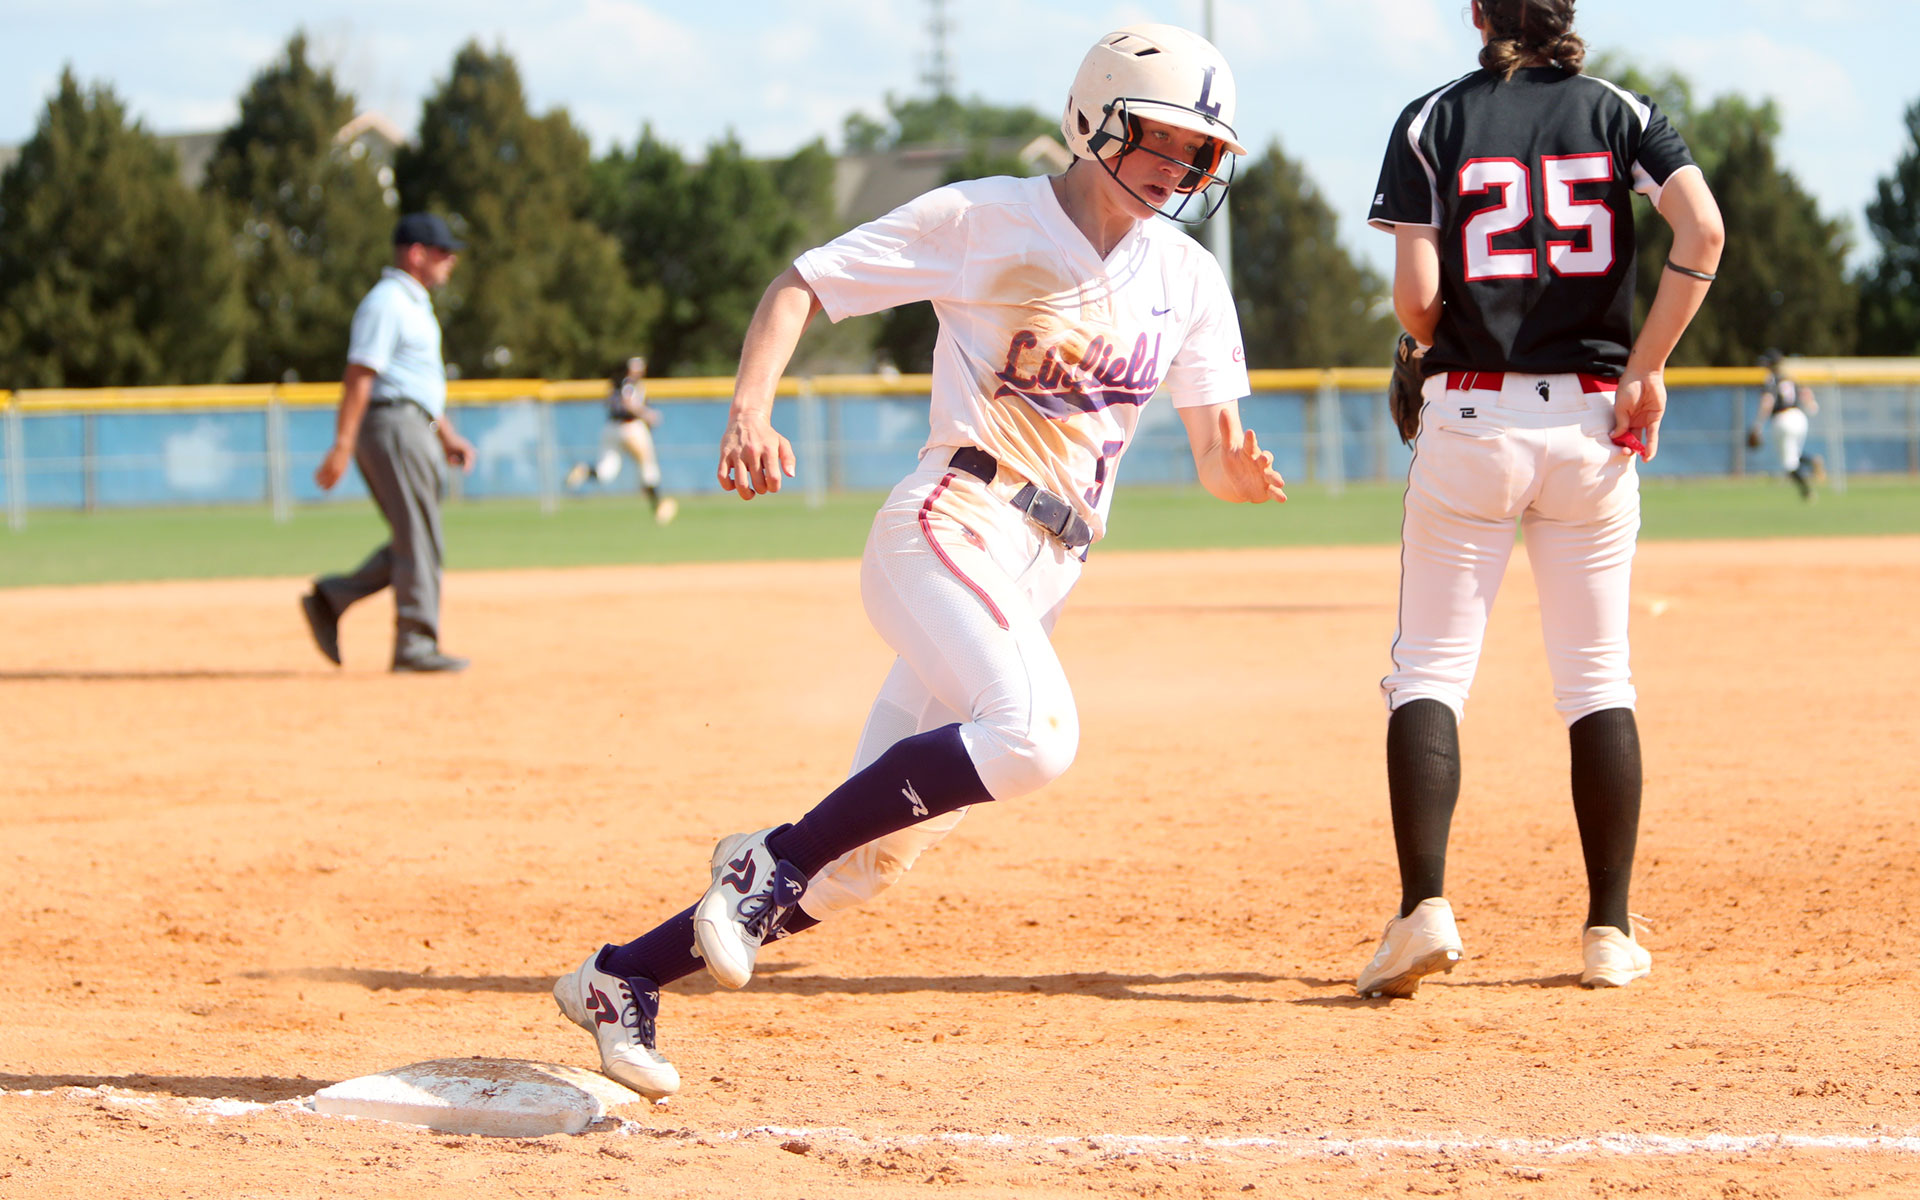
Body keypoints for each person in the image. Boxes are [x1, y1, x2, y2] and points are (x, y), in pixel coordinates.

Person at [551, 23, 1286, 1099]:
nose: (1178, 170)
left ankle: (624, 977)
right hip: (953, 522)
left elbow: (1218, 449)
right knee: (1034, 738)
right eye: (1160, 140)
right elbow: (802, 282)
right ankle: (768, 863)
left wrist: (1237, 475)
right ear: (1095, 120)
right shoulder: (989, 218)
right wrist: (747, 410)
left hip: (1041, 571)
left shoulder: (1188, 278)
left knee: (864, 864)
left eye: (1199, 155)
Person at [1354, 0, 1724, 999]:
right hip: (1596, 425)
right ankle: (1608, 931)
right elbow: (1705, 228)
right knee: (1598, 678)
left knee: (1429, 670)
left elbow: (1420, 304)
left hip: (1472, 417)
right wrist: (1645, 365)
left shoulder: (1433, 118)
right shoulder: (1623, 110)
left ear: (1478, 13)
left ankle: (1424, 908)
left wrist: (1437, 340)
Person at [300, 213, 476, 674]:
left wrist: (446, 434)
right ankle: (415, 644)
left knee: (413, 536)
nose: (450, 260)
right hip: (392, 426)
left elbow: (417, 383)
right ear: (416, 254)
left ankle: (332, 598)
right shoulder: (387, 303)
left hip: (412, 425)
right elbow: (361, 375)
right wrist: (342, 444)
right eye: (442, 251)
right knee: (420, 535)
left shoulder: (415, 305)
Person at [565, 355, 679, 525]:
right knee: (648, 468)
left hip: (611, 427)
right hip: (631, 427)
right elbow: (628, 403)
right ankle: (659, 506)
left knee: (606, 471)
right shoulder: (630, 383)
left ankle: (585, 470)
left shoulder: (614, 383)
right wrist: (648, 414)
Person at [1751, 351, 1823, 499]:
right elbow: (1807, 396)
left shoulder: (1771, 379)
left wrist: (1758, 425)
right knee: (1793, 456)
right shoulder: (1791, 379)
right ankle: (1811, 460)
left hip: (1782, 419)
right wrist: (1811, 406)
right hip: (1799, 417)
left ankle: (1807, 492)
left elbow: (1767, 402)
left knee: (1788, 465)